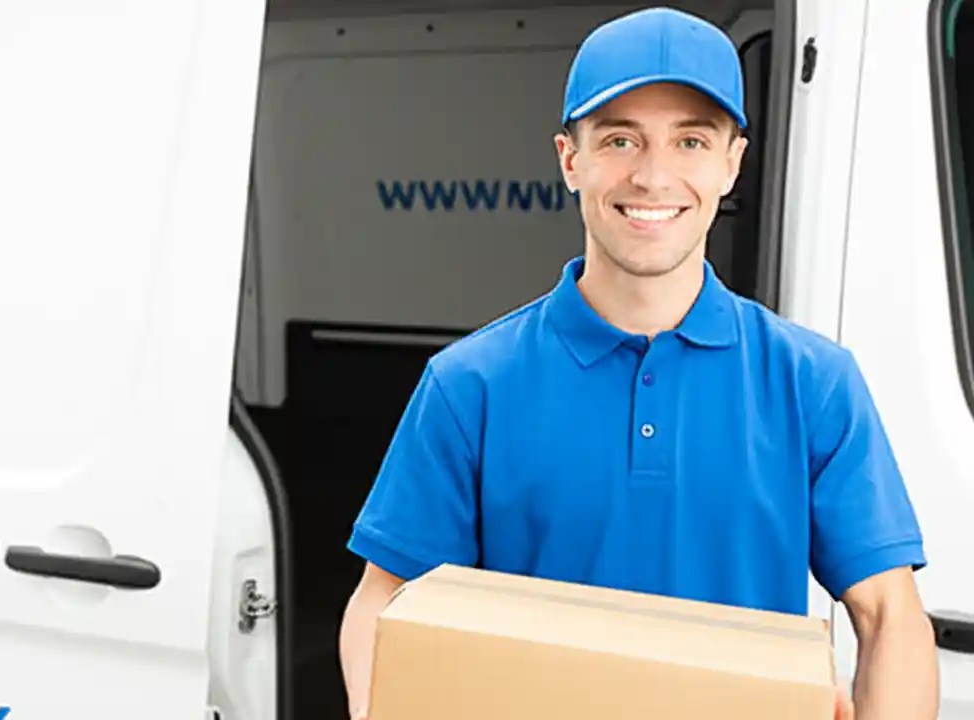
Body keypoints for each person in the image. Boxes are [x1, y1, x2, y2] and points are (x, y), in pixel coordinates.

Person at [337, 6, 939, 720]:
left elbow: (890, 618)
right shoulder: (471, 384)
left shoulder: (812, 384)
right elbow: (384, 598)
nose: (654, 176)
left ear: (732, 162)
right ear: (570, 159)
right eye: (620, 140)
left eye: (690, 141)